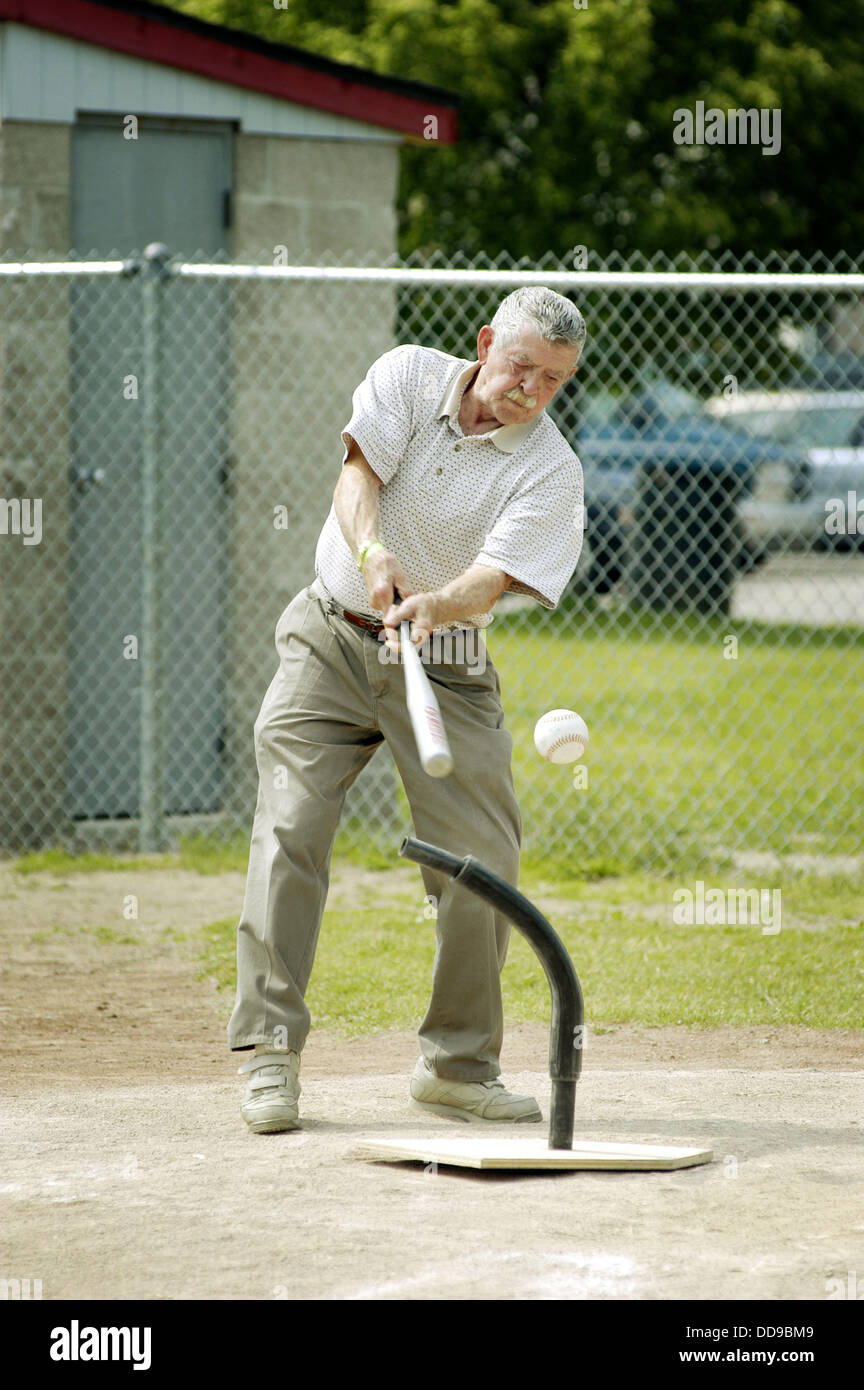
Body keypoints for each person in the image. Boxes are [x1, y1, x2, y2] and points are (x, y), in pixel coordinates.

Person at [228, 285, 586, 1132]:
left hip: (448, 660)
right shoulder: (406, 377)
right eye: (523, 368)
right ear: (486, 340)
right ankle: (272, 1055)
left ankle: (457, 1067)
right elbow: (356, 480)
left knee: (481, 860)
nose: (533, 391)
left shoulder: (550, 468)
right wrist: (373, 551)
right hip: (330, 634)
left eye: (555, 382)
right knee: (290, 829)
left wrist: (435, 605)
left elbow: (492, 581)